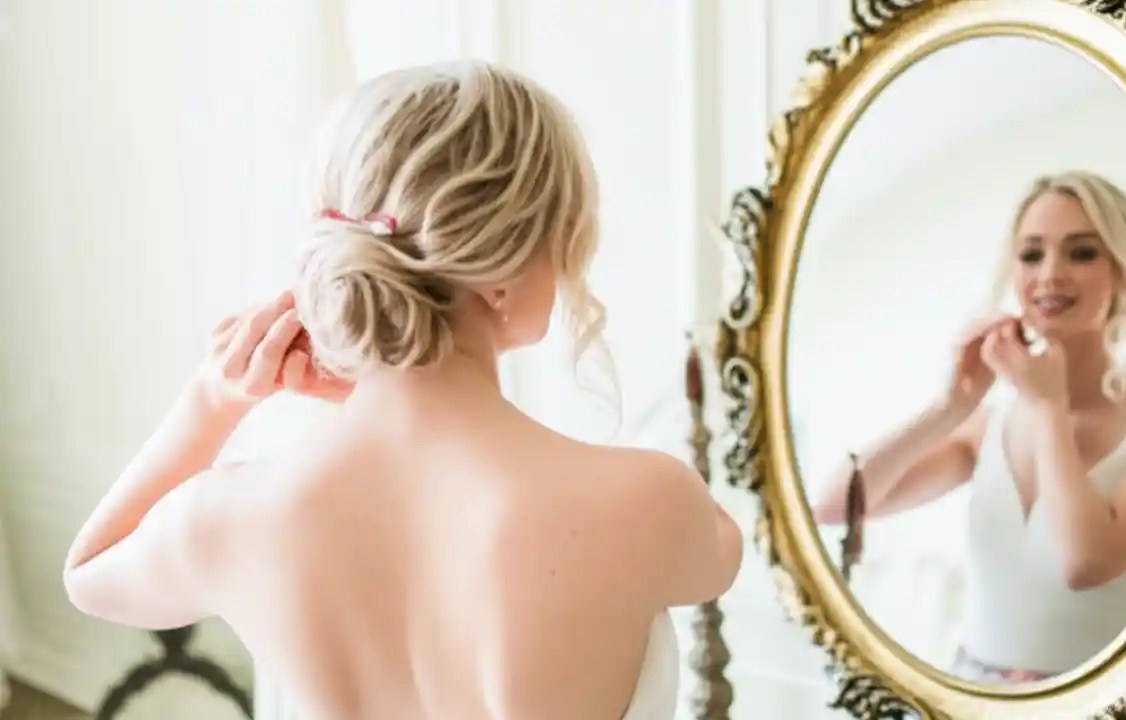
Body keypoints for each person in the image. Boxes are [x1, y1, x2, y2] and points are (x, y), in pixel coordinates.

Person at [63, 61, 743, 719]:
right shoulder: (642, 500)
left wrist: (214, 402)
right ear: (500, 276)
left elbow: (90, 575)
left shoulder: (231, 515)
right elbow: (719, 556)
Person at [813, 170, 1126, 682]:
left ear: (1123, 271)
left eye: (1082, 252)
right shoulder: (988, 426)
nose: (1051, 274)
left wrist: (1049, 407)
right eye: (1031, 254)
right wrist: (951, 405)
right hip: (972, 693)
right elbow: (834, 505)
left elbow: (1085, 562)